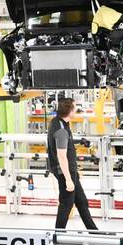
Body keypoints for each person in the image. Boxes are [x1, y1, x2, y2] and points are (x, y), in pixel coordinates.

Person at [47, 97, 98, 231]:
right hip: (65, 171)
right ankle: (59, 236)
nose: (76, 109)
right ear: (69, 110)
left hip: (68, 170)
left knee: (81, 201)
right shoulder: (62, 130)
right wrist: (69, 179)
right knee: (66, 204)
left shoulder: (57, 122)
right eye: (74, 107)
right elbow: (62, 156)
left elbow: (64, 144)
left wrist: (78, 142)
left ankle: (93, 231)